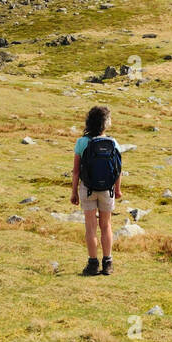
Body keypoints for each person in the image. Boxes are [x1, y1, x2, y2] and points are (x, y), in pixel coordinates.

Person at [71, 105, 122, 275]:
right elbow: (118, 169)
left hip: (88, 188)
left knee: (90, 227)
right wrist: (118, 189)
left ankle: (93, 264)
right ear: (105, 123)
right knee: (106, 225)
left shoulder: (81, 142)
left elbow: (76, 170)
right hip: (107, 189)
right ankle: (107, 263)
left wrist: (74, 192)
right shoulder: (113, 143)